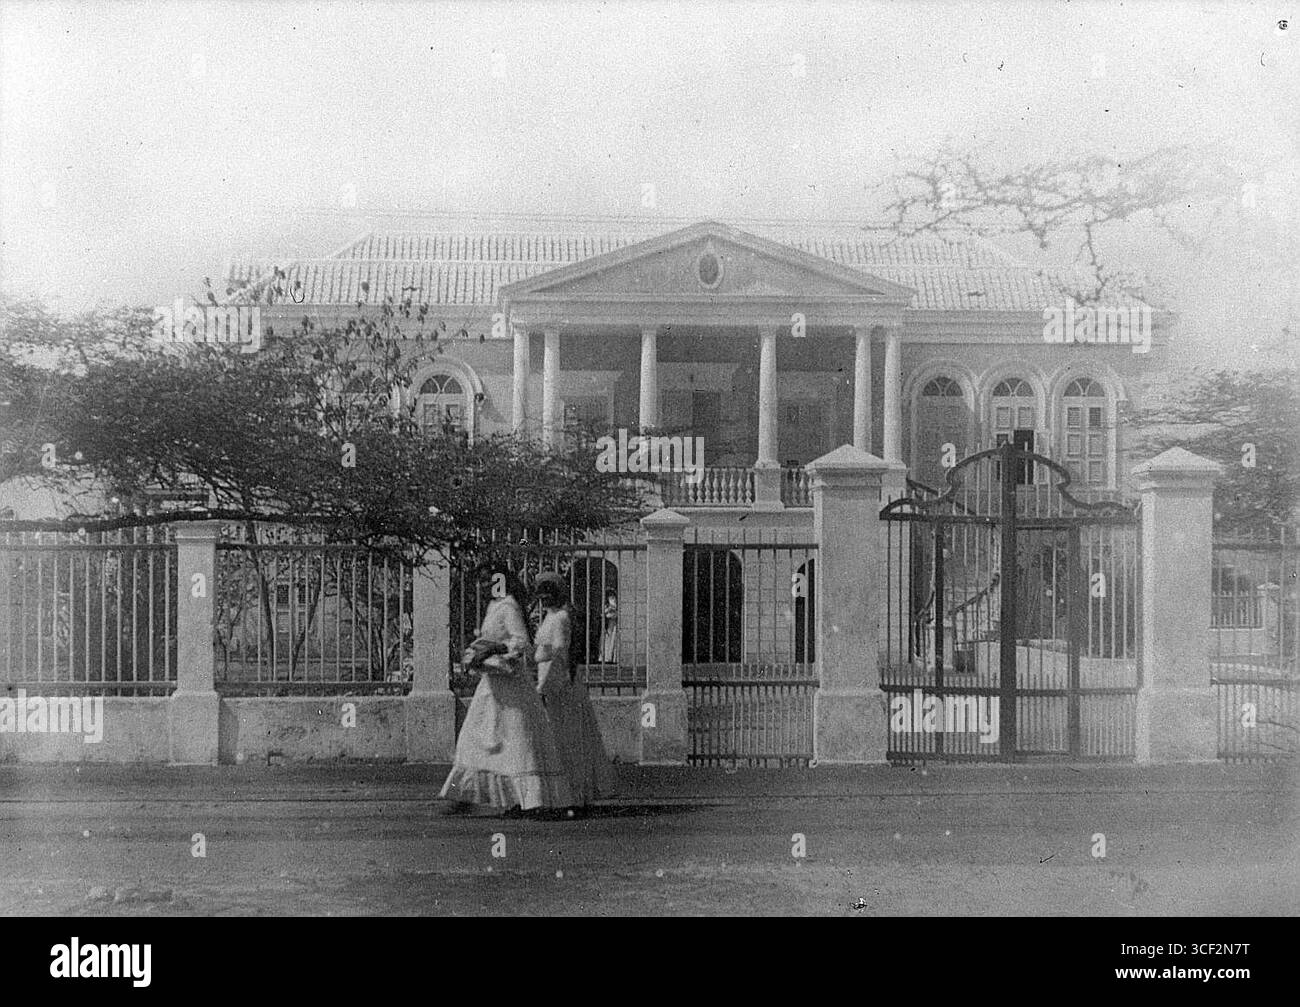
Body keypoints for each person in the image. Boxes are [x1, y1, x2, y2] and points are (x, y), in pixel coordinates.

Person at [438, 563, 573, 815]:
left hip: (510, 683)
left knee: (515, 739)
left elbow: (520, 641)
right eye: (483, 582)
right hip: (491, 683)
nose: (486, 586)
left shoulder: (509, 606)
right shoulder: (493, 607)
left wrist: (493, 649)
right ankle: (466, 794)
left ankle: (526, 799)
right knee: (476, 735)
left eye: (490, 580)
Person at [533, 572, 616, 809]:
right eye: (542, 593)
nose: (544, 598)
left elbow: (560, 654)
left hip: (559, 684)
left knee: (566, 740)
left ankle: (573, 795)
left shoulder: (560, 618)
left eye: (549, 592)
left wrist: (544, 685)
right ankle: (566, 795)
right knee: (563, 740)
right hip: (555, 681)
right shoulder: (552, 616)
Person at [599, 591, 618, 663]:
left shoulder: (615, 607)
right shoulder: (607, 606)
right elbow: (604, 614)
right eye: (611, 598)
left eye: (614, 598)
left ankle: (611, 657)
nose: (613, 600)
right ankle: (605, 657)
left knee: (613, 641)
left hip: (614, 626)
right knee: (606, 641)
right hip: (608, 626)